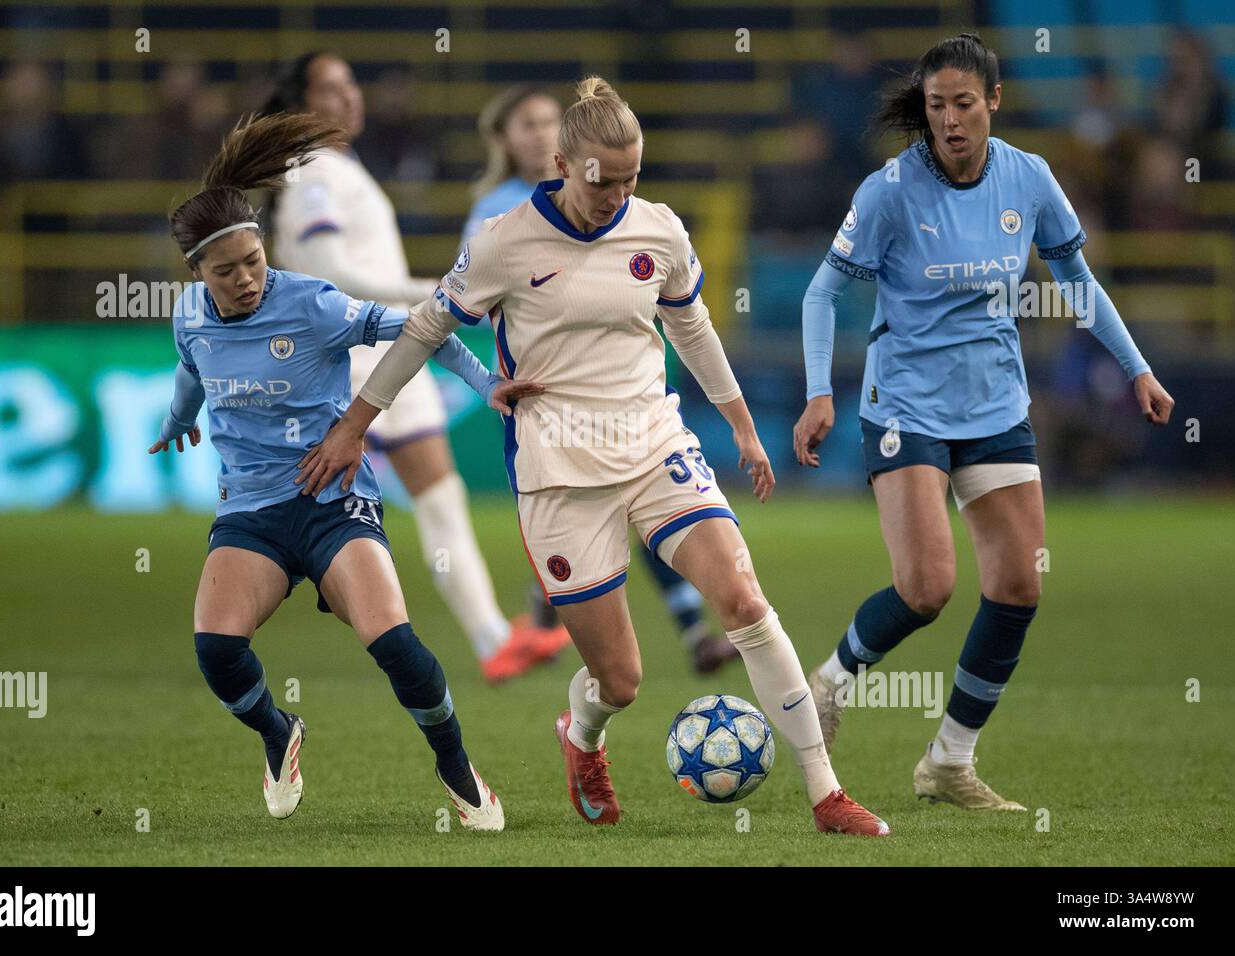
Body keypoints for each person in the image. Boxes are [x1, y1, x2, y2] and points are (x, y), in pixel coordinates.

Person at [299, 77, 890, 836]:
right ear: (562, 162)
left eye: (631, 178)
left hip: (653, 445)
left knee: (743, 599)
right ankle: (583, 737)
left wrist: (741, 426)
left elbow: (693, 330)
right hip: (558, 474)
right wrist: (354, 425)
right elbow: (422, 329)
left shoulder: (659, 232)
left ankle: (825, 793)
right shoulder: (506, 241)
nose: (616, 193)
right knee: (620, 679)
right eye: (601, 179)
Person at [793, 34, 1175, 810]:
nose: (951, 120)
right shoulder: (889, 191)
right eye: (937, 107)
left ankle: (949, 763)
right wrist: (817, 391)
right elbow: (820, 294)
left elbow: (1077, 278)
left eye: (964, 104)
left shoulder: (1028, 179)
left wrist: (1136, 367)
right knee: (929, 587)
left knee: (1017, 586)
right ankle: (829, 684)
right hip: (906, 405)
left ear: (993, 101)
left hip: (996, 405)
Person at [153, 112, 537, 829]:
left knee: (396, 647)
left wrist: (486, 387)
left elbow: (426, 324)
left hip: (334, 502)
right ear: (196, 273)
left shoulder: (314, 303)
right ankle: (278, 732)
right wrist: (178, 419)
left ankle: (457, 769)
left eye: (252, 261)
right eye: (225, 269)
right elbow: (188, 369)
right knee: (217, 651)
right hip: (252, 514)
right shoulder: (189, 316)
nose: (244, 279)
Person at [264, 52, 568, 684]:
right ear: (302, 104)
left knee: (439, 496)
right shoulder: (312, 172)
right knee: (302, 506)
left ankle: (491, 640)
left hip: (384, 348)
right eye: (330, 89)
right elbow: (326, 273)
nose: (349, 97)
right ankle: (235, 623)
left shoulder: (340, 168)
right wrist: (422, 290)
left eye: (352, 83)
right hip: (340, 353)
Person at [465, 82, 740, 674]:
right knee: (601, 523)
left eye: (547, 121)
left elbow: (686, 321)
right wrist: (484, 379)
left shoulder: (612, 198)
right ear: (506, 139)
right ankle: (550, 616)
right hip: (548, 406)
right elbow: (450, 311)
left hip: (625, 400)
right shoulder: (497, 218)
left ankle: (686, 631)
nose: (538, 133)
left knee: (646, 511)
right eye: (526, 125)